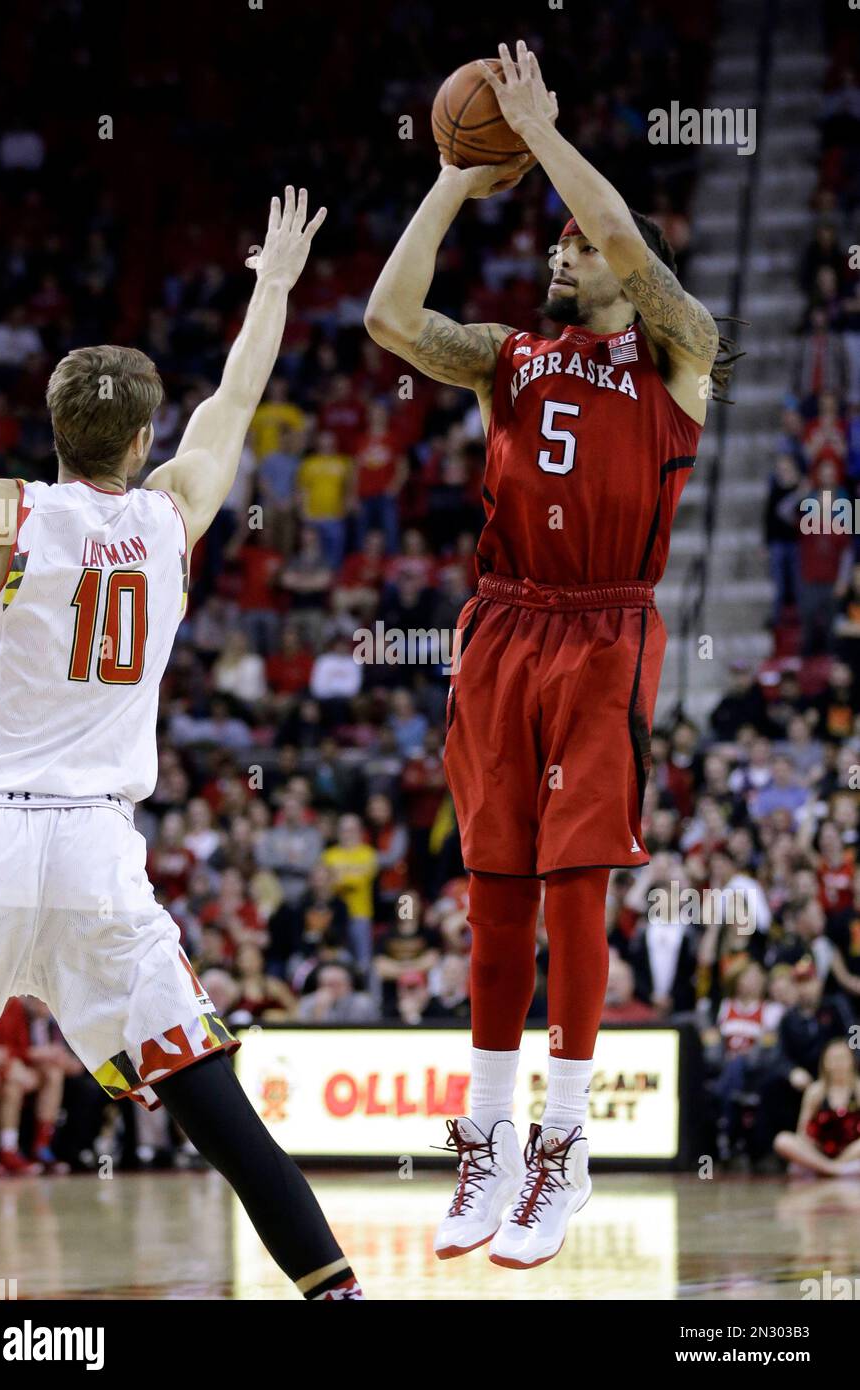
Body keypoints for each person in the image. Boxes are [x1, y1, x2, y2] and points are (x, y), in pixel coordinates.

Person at [365, 41, 738, 1270]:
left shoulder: (681, 349)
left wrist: (543, 136)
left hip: (604, 626)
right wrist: (452, 176)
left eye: (574, 244)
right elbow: (387, 317)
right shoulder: (508, 361)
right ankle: (483, 1138)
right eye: (554, 239)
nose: (560, 249)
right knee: (494, 888)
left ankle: (563, 1145)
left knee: (578, 886)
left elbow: (626, 238)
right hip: (503, 623)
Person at [0, 190, 364, 1300]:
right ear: (144, 439)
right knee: (217, 1108)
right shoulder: (171, 513)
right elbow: (236, 397)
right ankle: (337, 1296)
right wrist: (271, 283)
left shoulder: (9, 517)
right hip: (96, 859)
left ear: (51, 429)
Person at [773, 1038, 860, 1177]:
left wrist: (845, 1156)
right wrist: (813, 1145)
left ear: (852, 1061)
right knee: (782, 1140)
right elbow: (802, 1132)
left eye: (842, 1058)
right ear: (824, 1062)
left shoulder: (858, 1089)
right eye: (833, 1059)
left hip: (851, 1154)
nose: (838, 1064)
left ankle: (834, 1168)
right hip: (819, 1153)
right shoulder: (815, 1091)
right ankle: (831, 1169)